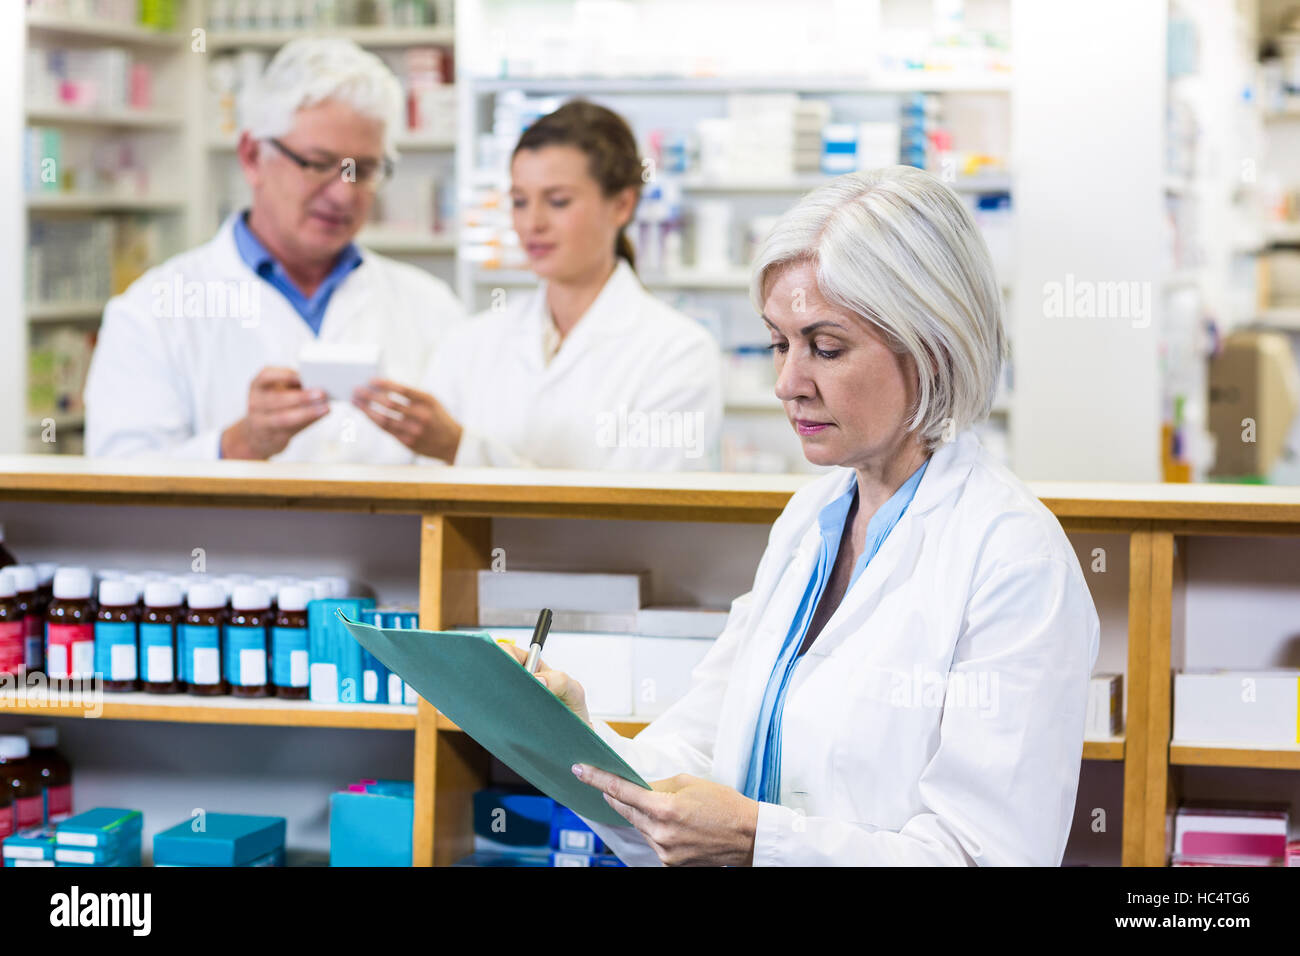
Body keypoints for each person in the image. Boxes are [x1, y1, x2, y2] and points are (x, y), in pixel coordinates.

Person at [506, 166, 1101, 865]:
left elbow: (985, 856)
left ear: (933, 345)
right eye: (778, 344)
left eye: (825, 347)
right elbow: (702, 744)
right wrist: (576, 738)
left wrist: (760, 839)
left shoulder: (1013, 558)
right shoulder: (812, 519)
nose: (789, 383)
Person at [84, 38, 464, 462]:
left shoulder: (431, 308)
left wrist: (451, 445)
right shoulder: (151, 313)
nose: (343, 194)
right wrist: (238, 446)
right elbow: (117, 490)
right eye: (318, 164)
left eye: (365, 169)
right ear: (251, 156)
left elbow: (474, 482)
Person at [350, 100, 723, 470]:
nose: (532, 223)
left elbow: (643, 512)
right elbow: (424, 489)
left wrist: (462, 450)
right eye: (519, 201)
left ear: (622, 205)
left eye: (557, 201)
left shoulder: (679, 353)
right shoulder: (469, 344)